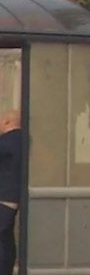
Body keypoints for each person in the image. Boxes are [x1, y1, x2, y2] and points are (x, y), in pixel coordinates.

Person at [0, 111, 21, 275]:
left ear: (7, 122)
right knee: (6, 236)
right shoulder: (24, 139)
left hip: (4, 196)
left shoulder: (5, 142)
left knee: (3, 237)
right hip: (15, 196)